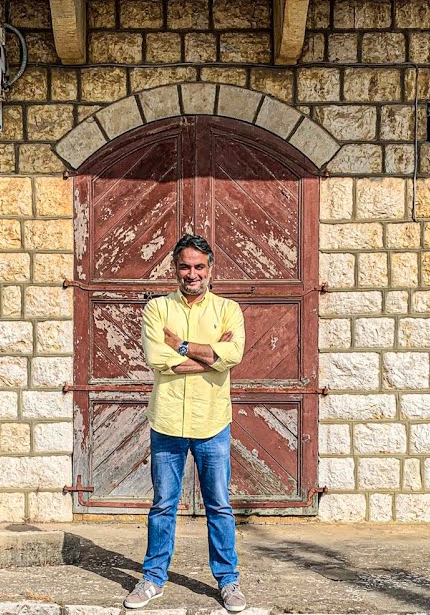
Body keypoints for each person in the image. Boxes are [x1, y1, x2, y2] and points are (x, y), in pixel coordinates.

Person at [123, 234, 248, 612]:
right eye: (184, 266)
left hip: (212, 422)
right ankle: (153, 578)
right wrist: (209, 355)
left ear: (210, 269)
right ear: (174, 269)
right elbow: (157, 359)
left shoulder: (229, 310)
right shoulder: (157, 309)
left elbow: (233, 355)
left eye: (198, 266)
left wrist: (181, 346)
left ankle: (228, 582)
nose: (191, 273)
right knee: (163, 504)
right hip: (167, 422)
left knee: (220, 505)